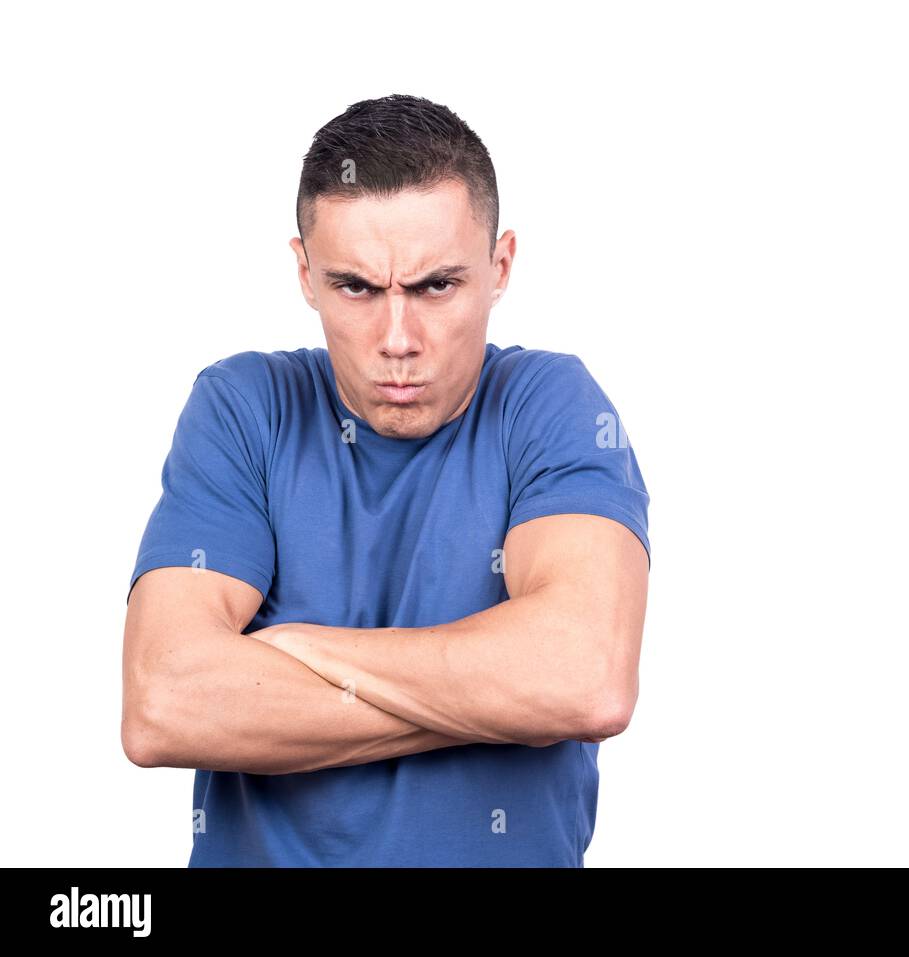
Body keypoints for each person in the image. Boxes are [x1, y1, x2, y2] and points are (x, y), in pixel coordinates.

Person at [121, 94, 651, 867]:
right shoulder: (243, 408)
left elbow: (586, 678)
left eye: (436, 286)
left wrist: (288, 652)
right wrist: (496, 700)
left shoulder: (551, 406)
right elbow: (162, 704)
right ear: (304, 272)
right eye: (356, 288)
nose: (397, 341)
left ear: (500, 267)